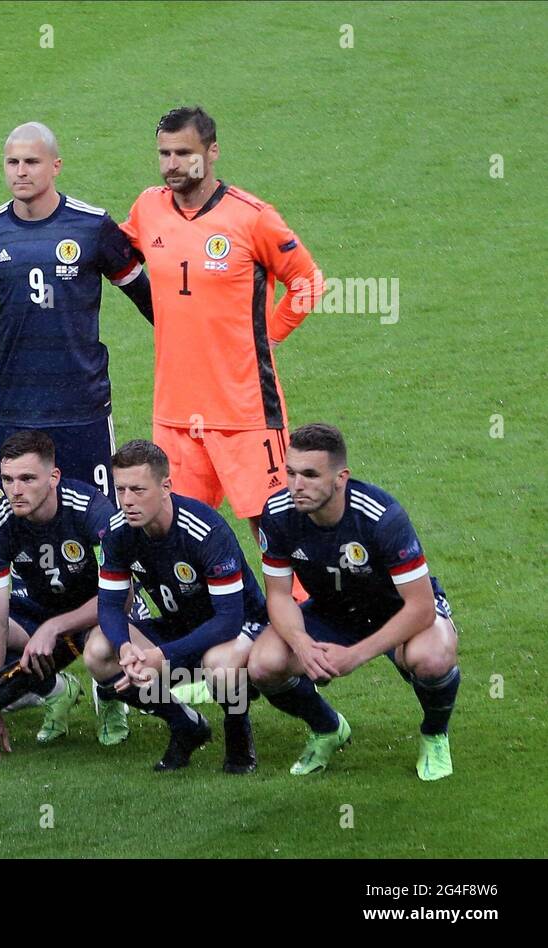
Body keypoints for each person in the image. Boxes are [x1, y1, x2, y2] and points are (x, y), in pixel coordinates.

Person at [118, 106, 324, 562]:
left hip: (244, 410)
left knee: (274, 525)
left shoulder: (252, 218)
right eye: (164, 153)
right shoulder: (148, 207)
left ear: (212, 152)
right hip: (174, 410)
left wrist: (269, 335)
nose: (172, 164)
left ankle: (311, 620)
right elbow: (114, 251)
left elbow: (308, 281)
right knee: (176, 526)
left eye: (184, 153)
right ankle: (206, 623)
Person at [247, 424, 459, 780]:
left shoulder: (381, 517)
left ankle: (435, 734)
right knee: (264, 664)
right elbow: (280, 596)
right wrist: (302, 642)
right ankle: (328, 728)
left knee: (431, 657)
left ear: (340, 477)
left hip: (399, 611)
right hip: (333, 611)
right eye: (291, 473)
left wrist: (355, 656)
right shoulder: (278, 512)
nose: (297, 485)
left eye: (311, 475)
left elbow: (420, 606)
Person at [0, 122, 154, 500]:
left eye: (31, 161)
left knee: (100, 521)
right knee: (18, 521)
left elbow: (147, 299)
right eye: (12, 162)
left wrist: (192, 346)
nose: (21, 171)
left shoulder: (92, 226)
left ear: (56, 165)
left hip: (82, 404)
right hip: (18, 405)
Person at [0, 431, 139, 763]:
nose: (15, 491)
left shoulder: (91, 509)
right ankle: (56, 691)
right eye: (7, 479)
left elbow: (123, 594)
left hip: (95, 611)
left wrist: (56, 627)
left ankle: (108, 698)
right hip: (33, 615)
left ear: (53, 477)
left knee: (100, 646)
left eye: (27, 478)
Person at [88, 440, 269, 773]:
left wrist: (160, 655)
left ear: (166, 486)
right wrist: (125, 647)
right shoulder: (117, 532)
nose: (127, 500)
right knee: (99, 650)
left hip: (243, 626)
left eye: (138, 490)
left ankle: (238, 734)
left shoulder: (205, 530)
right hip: (181, 625)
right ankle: (185, 725)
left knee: (220, 663)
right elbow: (110, 607)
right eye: (121, 489)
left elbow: (228, 619)